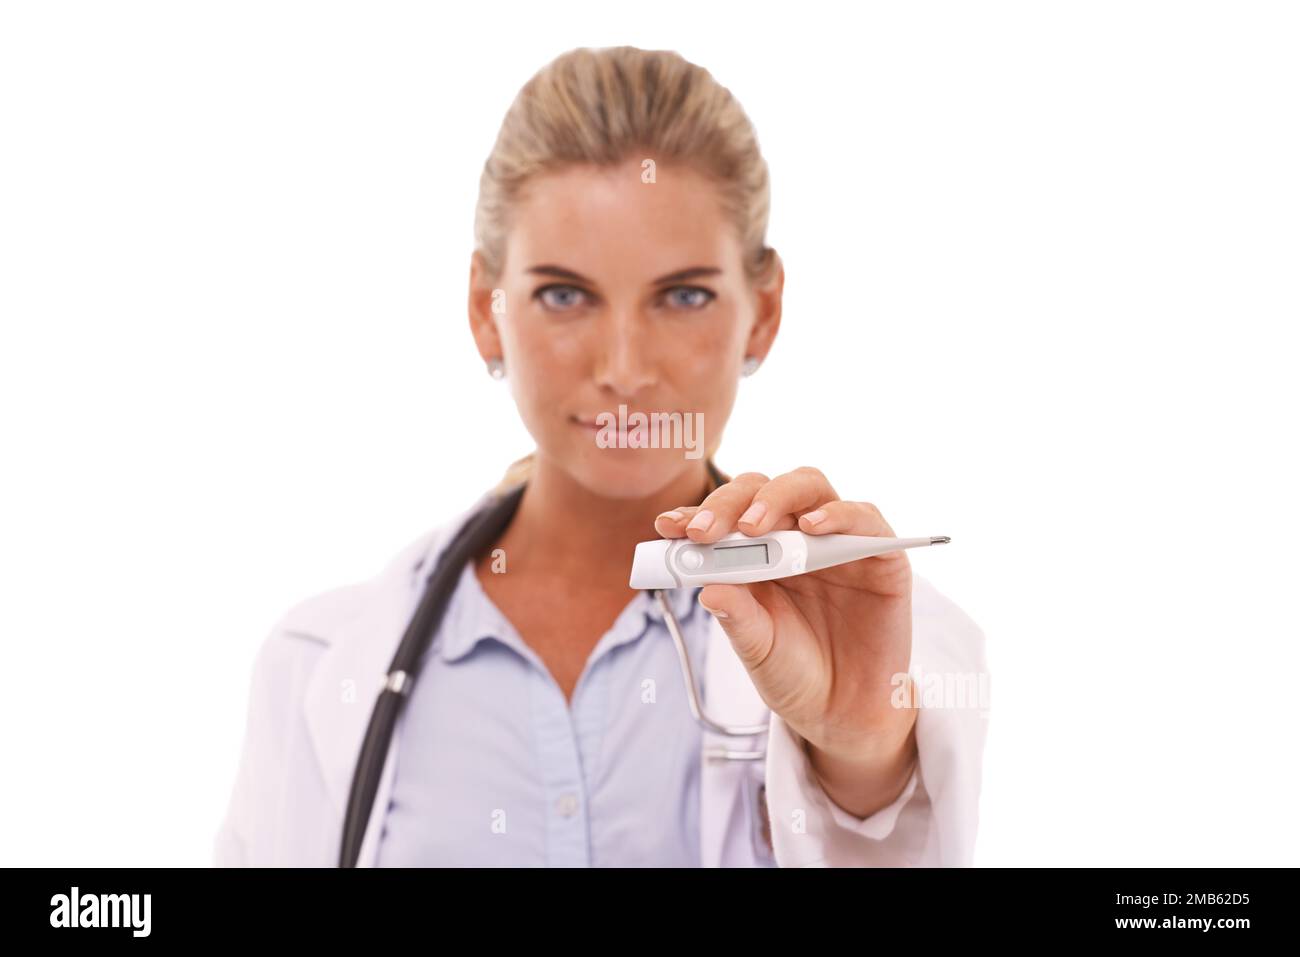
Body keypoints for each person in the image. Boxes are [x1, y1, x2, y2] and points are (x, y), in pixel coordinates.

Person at [213, 44, 989, 868]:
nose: (624, 369)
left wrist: (861, 760)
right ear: (487, 309)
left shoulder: (875, 634)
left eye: (683, 295)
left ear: (762, 312)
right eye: (564, 295)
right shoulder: (317, 667)